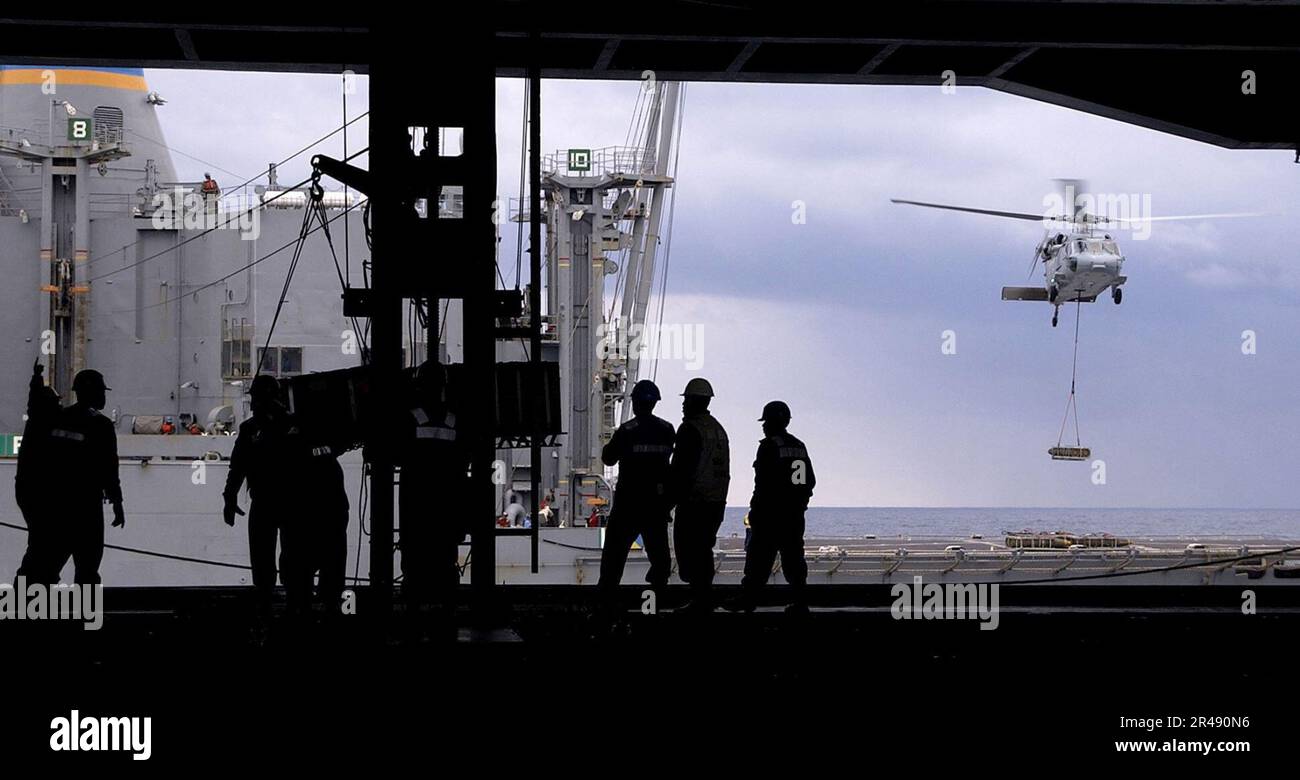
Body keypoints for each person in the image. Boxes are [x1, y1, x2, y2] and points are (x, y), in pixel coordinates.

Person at [397, 360, 469, 628]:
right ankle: (447, 614)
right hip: (446, 504)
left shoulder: (409, 417)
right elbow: (465, 458)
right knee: (445, 560)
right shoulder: (454, 418)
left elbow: (396, 453)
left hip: (416, 503)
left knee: (414, 562)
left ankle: (413, 614)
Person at [596, 379, 675, 616]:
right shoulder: (667, 430)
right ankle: (657, 601)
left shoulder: (627, 431)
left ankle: (605, 602)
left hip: (628, 504)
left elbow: (608, 458)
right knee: (660, 555)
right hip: (655, 504)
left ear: (635, 403)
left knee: (614, 555)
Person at [42, 369, 125, 585]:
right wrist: (117, 502)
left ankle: (35, 614)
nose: (104, 396)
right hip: (87, 507)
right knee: (88, 569)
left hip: (57, 506)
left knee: (48, 567)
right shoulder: (101, 425)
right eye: (101, 391)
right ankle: (85, 615)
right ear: (93, 393)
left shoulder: (58, 419)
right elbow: (109, 468)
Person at [736, 401, 816, 615]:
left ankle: (748, 602)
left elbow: (762, 485)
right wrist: (799, 505)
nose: (763, 426)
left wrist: (757, 512)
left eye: (766, 422)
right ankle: (800, 603)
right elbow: (805, 483)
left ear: (772, 422)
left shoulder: (769, 446)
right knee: (794, 560)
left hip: (770, 516)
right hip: (793, 516)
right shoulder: (798, 446)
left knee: (758, 561)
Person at [223, 374, 293, 618]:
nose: (253, 404)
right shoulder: (264, 428)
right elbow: (238, 467)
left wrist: (230, 498)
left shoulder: (272, 429)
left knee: (279, 557)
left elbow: (237, 468)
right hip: (277, 501)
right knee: (269, 558)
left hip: (276, 501)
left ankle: (277, 601)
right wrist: (229, 497)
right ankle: (280, 602)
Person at [669, 377, 730, 613]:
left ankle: (700, 599)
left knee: (690, 551)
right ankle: (703, 597)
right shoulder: (718, 430)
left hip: (694, 501)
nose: (683, 405)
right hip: (716, 502)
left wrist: (668, 501)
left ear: (694, 401)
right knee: (703, 550)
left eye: (686, 400)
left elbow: (681, 470)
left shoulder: (690, 429)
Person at [14, 361, 61, 583]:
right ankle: (33, 583)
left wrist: (37, 378)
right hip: (37, 492)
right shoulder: (42, 424)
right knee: (42, 541)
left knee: (41, 540)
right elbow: (35, 403)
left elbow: (33, 402)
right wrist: (36, 379)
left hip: (31, 490)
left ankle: (39, 581)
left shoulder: (38, 422)